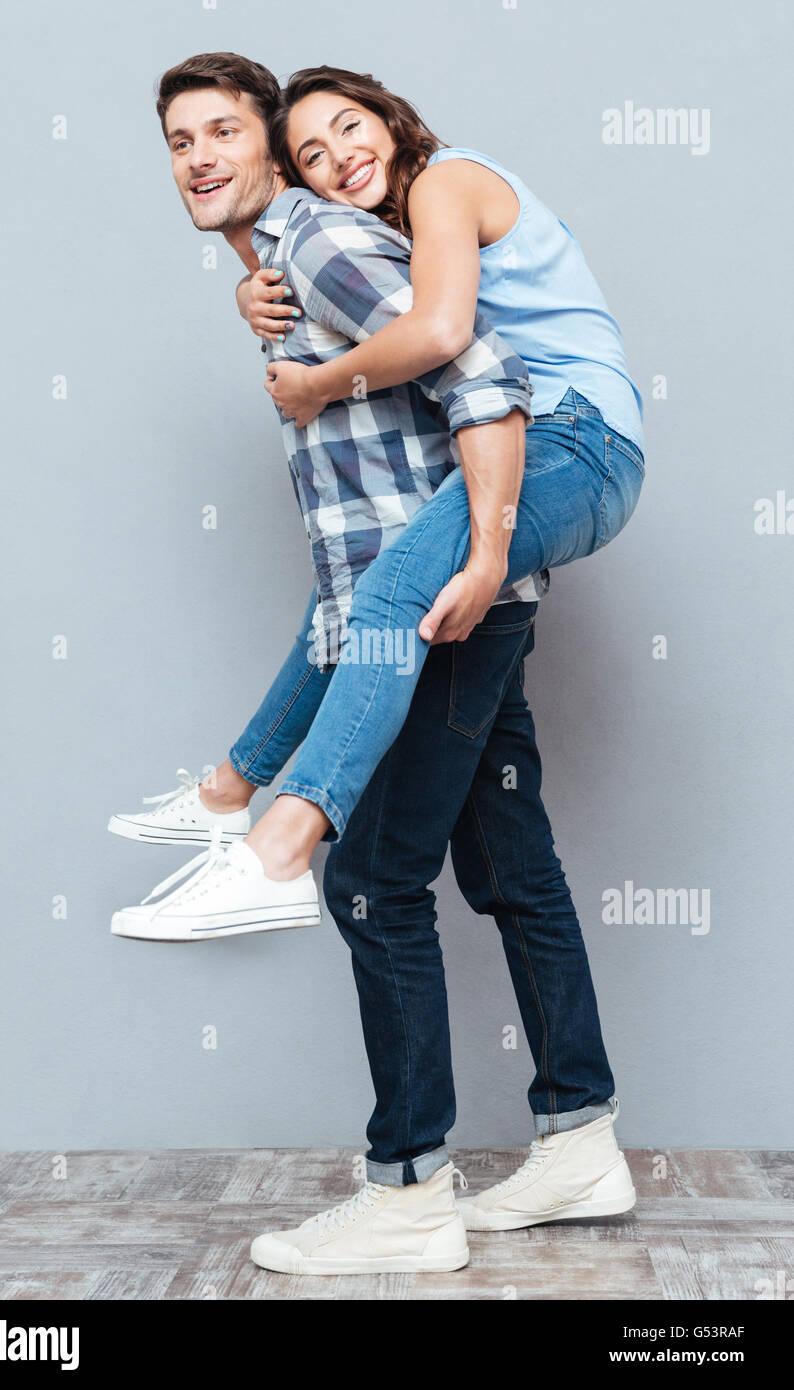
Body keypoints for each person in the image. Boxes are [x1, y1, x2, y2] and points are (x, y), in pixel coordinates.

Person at [110, 53, 638, 1274]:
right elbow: (393, 304)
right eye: (180, 141)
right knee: (511, 860)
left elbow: (470, 358)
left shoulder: (410, 202)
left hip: (528, 494)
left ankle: (403, 1185)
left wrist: (490, 545)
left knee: (367, 880)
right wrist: (260, 279)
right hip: (502, 534)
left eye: (224, 134)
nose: (199, 158)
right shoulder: (323, 246)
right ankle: (578, 1133)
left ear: (391, 126)